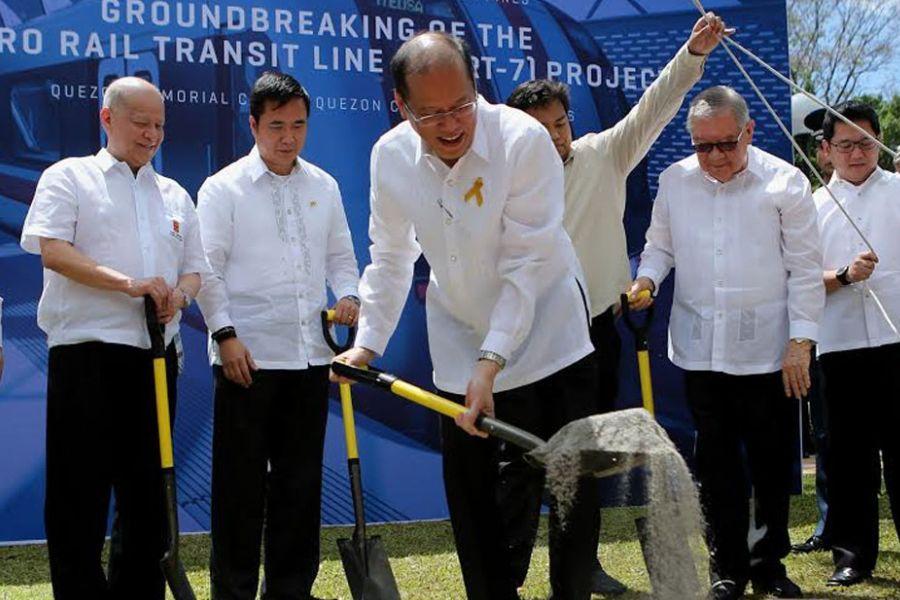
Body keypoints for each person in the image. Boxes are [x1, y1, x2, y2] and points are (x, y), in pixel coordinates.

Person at [333, 31, 600, 600]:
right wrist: (368, 343)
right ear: (402, 108)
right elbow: (391, 256)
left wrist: (493, 359)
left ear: (476, 90)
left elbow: (528, 262)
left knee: (570, 497)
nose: (451, 125)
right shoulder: (390, 156)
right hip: (459, 341)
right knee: (475, 502)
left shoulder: (523, 139)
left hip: (551, 336)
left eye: (461, 106)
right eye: (431, 114)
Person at [504, 13, 725, 594]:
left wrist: (693, 52)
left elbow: (655, 107)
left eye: (560, 122)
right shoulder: (504, 184)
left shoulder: (604, 155)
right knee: (526, 466)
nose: (554, 135)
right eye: (539, 126)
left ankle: (579, 572)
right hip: (523, 342)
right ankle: (508, 576)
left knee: (583, 465)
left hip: (595, 337)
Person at [628, 86, 824, 600]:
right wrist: (646, 281)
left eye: (725, 145)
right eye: (702, 146)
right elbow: (659, 246)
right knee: (716, 467)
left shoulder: (786, 182)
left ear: (749, 132)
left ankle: (770, 565)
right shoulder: (675, 181)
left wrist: (802, 341)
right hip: (700, 349)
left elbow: (805, 271)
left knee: (770, 462)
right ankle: (726, 567)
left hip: (769, 350)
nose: (714, 157)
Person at [20, 76, 207, 599]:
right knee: (78, 493)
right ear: (107, 120)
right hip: (86, 355)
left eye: (160, 125)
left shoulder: (174, 193)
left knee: (147, 494)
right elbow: (53, 250)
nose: (152, 134)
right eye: (141, 123)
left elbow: (196, 271)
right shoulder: (69, 177)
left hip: (155, 357)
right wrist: (130, 286)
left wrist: (180, 296)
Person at [195, 71, 360, 600]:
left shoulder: (324, 186)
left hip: (310, 357)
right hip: (247, 358)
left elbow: (341, 256)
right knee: (239, 489)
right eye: (276, 126)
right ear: (253, 124)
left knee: (300, 484)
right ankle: (234, 591)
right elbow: (208, 269)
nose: (288, 137)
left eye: (298, 125)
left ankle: (291, 590)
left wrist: (351, 294)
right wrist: (225, 336)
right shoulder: (223, 188)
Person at [813, 100, 900, 587]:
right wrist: (843, 276)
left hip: (897, 339)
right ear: (825, 151)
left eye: (866, 142)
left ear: (880, 143)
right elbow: (800, 279)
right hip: (840, 346)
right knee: (848, 460)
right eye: (844, 144)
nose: (856, 153)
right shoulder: (810, 206)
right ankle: (852, 556)